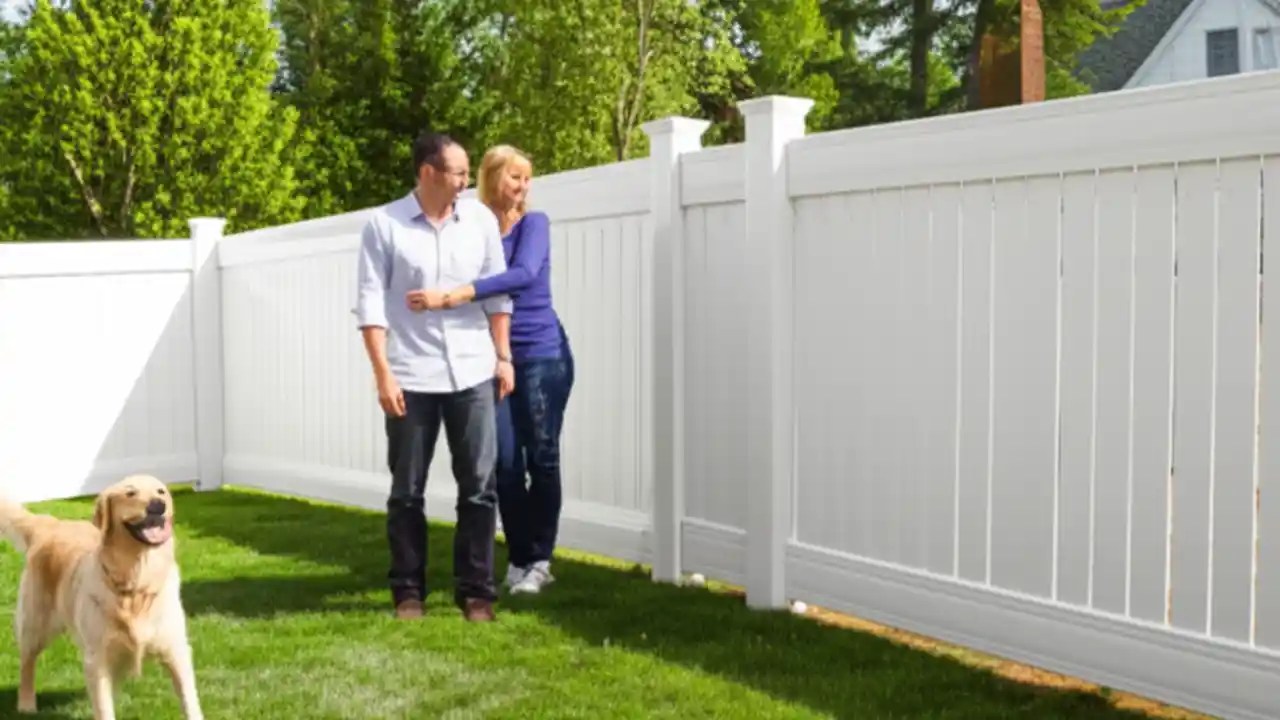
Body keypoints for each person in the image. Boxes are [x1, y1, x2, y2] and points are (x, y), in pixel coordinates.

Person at [352, 131, 515, 622]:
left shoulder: (481, 221)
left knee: (480, 486)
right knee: (407, 490)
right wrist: (384, 375)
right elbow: (369, 303)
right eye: (459, 173)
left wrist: (503, 356)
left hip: (472, 371)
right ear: (428, 172)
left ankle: (476, 591)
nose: (468, 181)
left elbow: (496, 294)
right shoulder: (384, 226)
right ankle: (407, 591)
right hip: (412, 375)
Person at [424, 144, 574, 595]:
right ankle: (522, 557)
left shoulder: (534, 224)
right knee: (504, 465)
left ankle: (540, 561)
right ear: (491, 178)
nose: (522, 186)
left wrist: (459, 293)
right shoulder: (473, 225)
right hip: (492, 358)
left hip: (542, 355)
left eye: (526, 178)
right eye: (514, 177)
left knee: (541, 458)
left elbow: (525, 273)